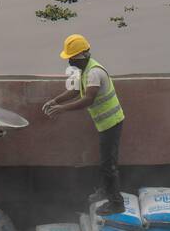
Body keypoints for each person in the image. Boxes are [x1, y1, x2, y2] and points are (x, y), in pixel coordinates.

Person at [41, 34, 125, 215]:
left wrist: (62, 109)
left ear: (81, 56)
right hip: (104, 124)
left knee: (108, 165)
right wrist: (55, 101)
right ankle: (105, 191)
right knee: (105, 162)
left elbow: (87, 99)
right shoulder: (84, 70)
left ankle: (117, 203)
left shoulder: (94, 73)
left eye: (71, 58)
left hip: (112, 123)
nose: (70, 61)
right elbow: (73, 91)